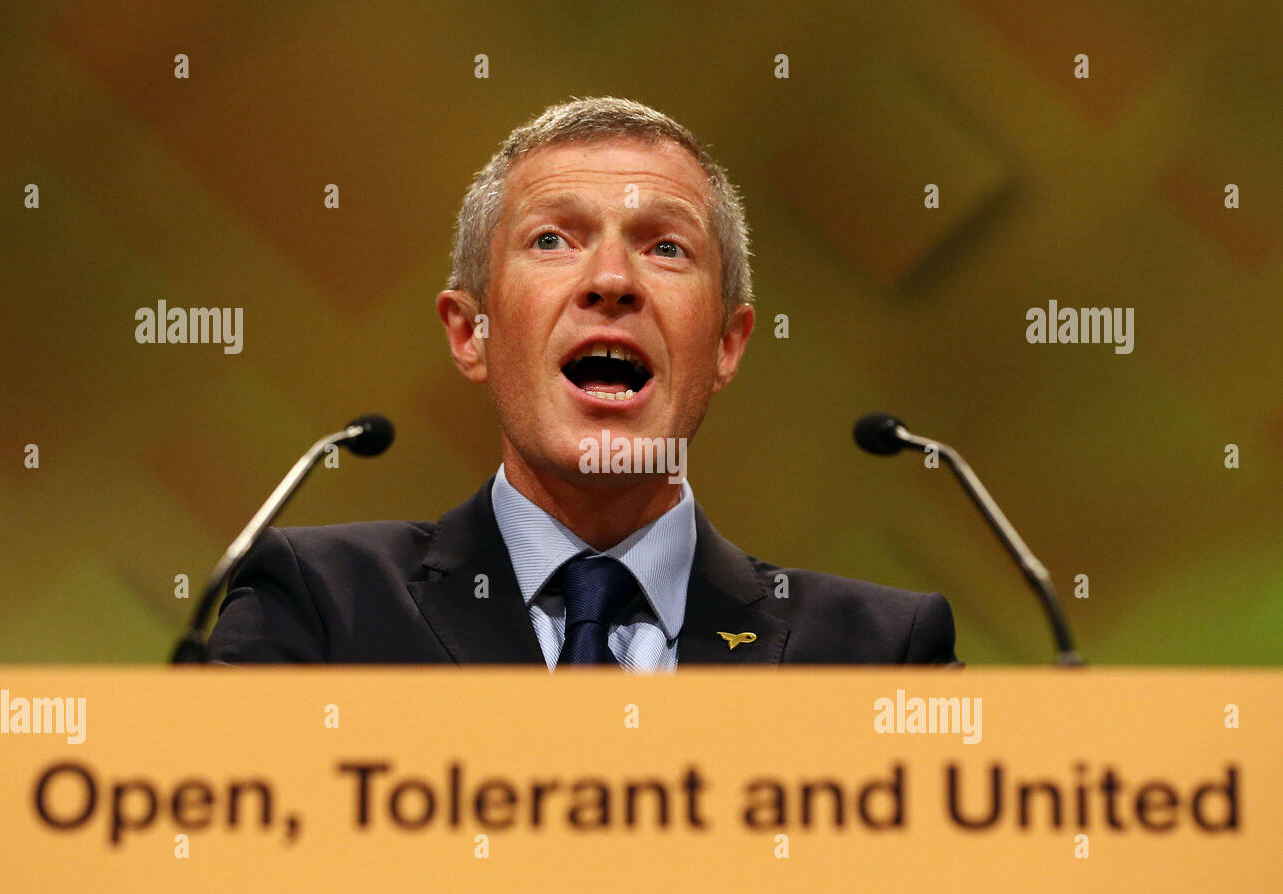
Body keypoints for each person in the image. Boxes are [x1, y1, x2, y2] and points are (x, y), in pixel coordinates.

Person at [209, 96, 958, 668]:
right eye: (552, 239)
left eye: (665, 247)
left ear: (728, 345)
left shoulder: (878, 658)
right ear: (472, 331)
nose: (610, 280)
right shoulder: (319, 608)